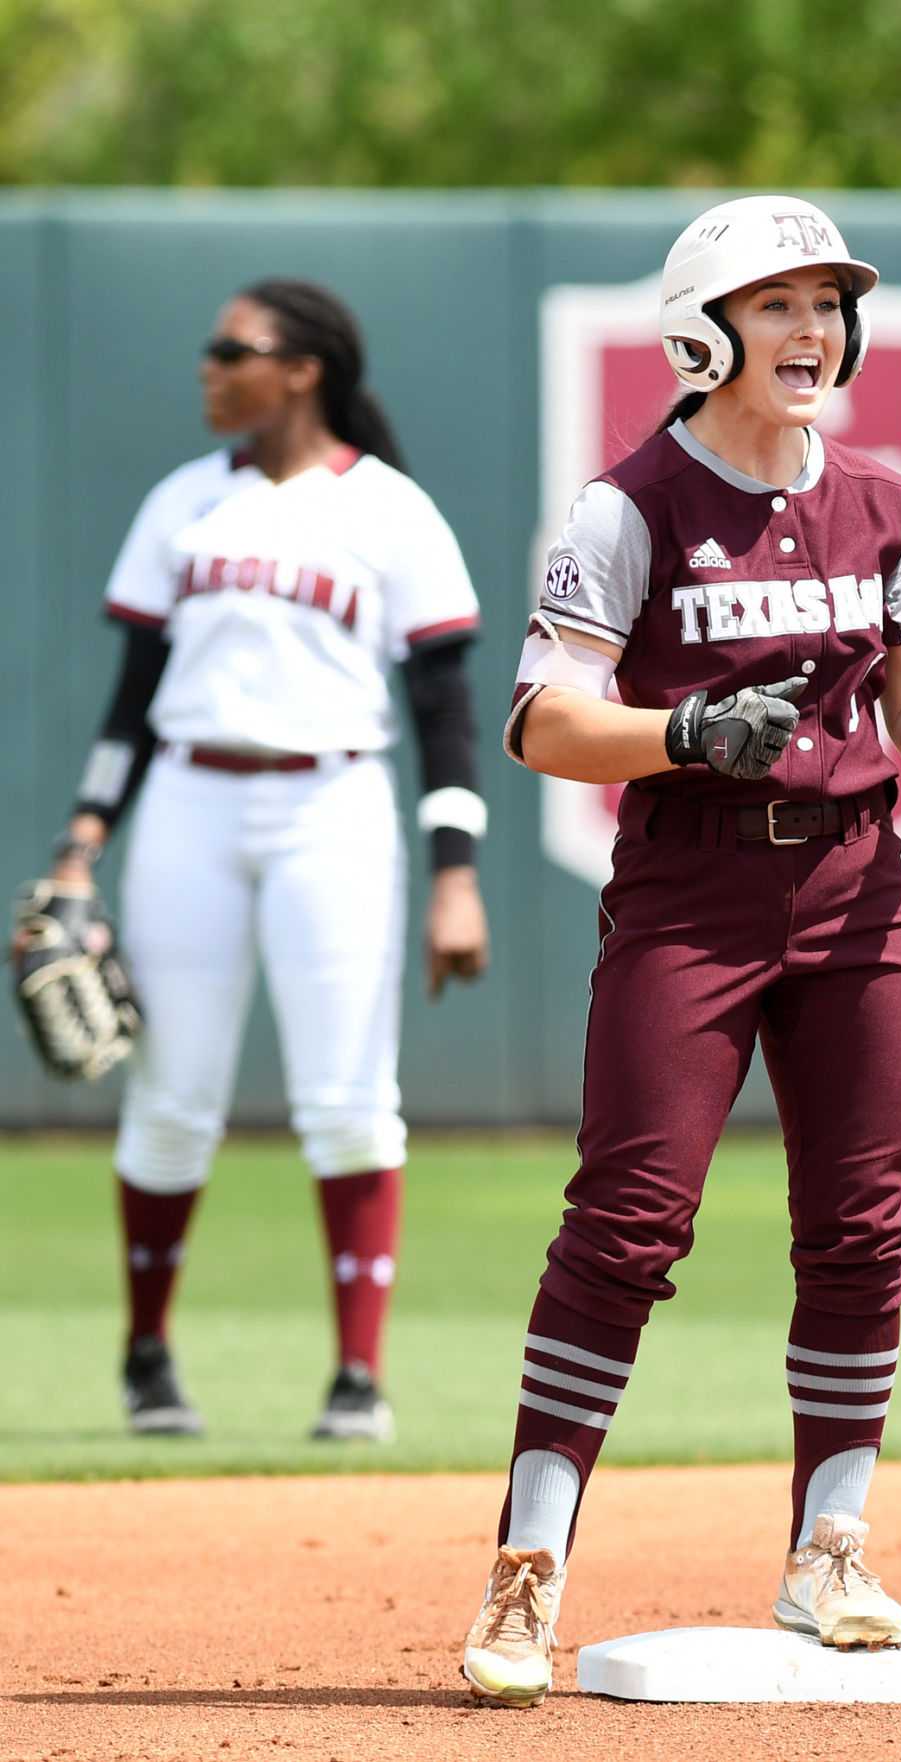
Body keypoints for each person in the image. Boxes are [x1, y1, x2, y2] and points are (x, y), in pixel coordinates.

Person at [461, 196, 901, 1707]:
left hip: (853, 888)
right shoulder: (626, 504)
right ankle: (530, 1560)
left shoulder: (882, 503)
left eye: (828, 303)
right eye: (777, 305)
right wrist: (683, 733)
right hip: (690, 894)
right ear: (702, 329)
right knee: (627, 1220)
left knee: (859, 1226)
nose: (812, 330)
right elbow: (540, 723)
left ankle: (827, 1544)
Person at [40, 278, 489, 1442]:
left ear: (300, 369)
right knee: (173, 1099)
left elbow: (443, 705)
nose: (206, 365)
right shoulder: (184, 503)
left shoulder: (390, 511)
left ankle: (356, 1378)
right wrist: (83, 844)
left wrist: (454, 873)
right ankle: (147, 1356)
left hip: (333, 804)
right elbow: (131, 703)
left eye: (228, 348)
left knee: (347, 1104)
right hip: (188, 802)